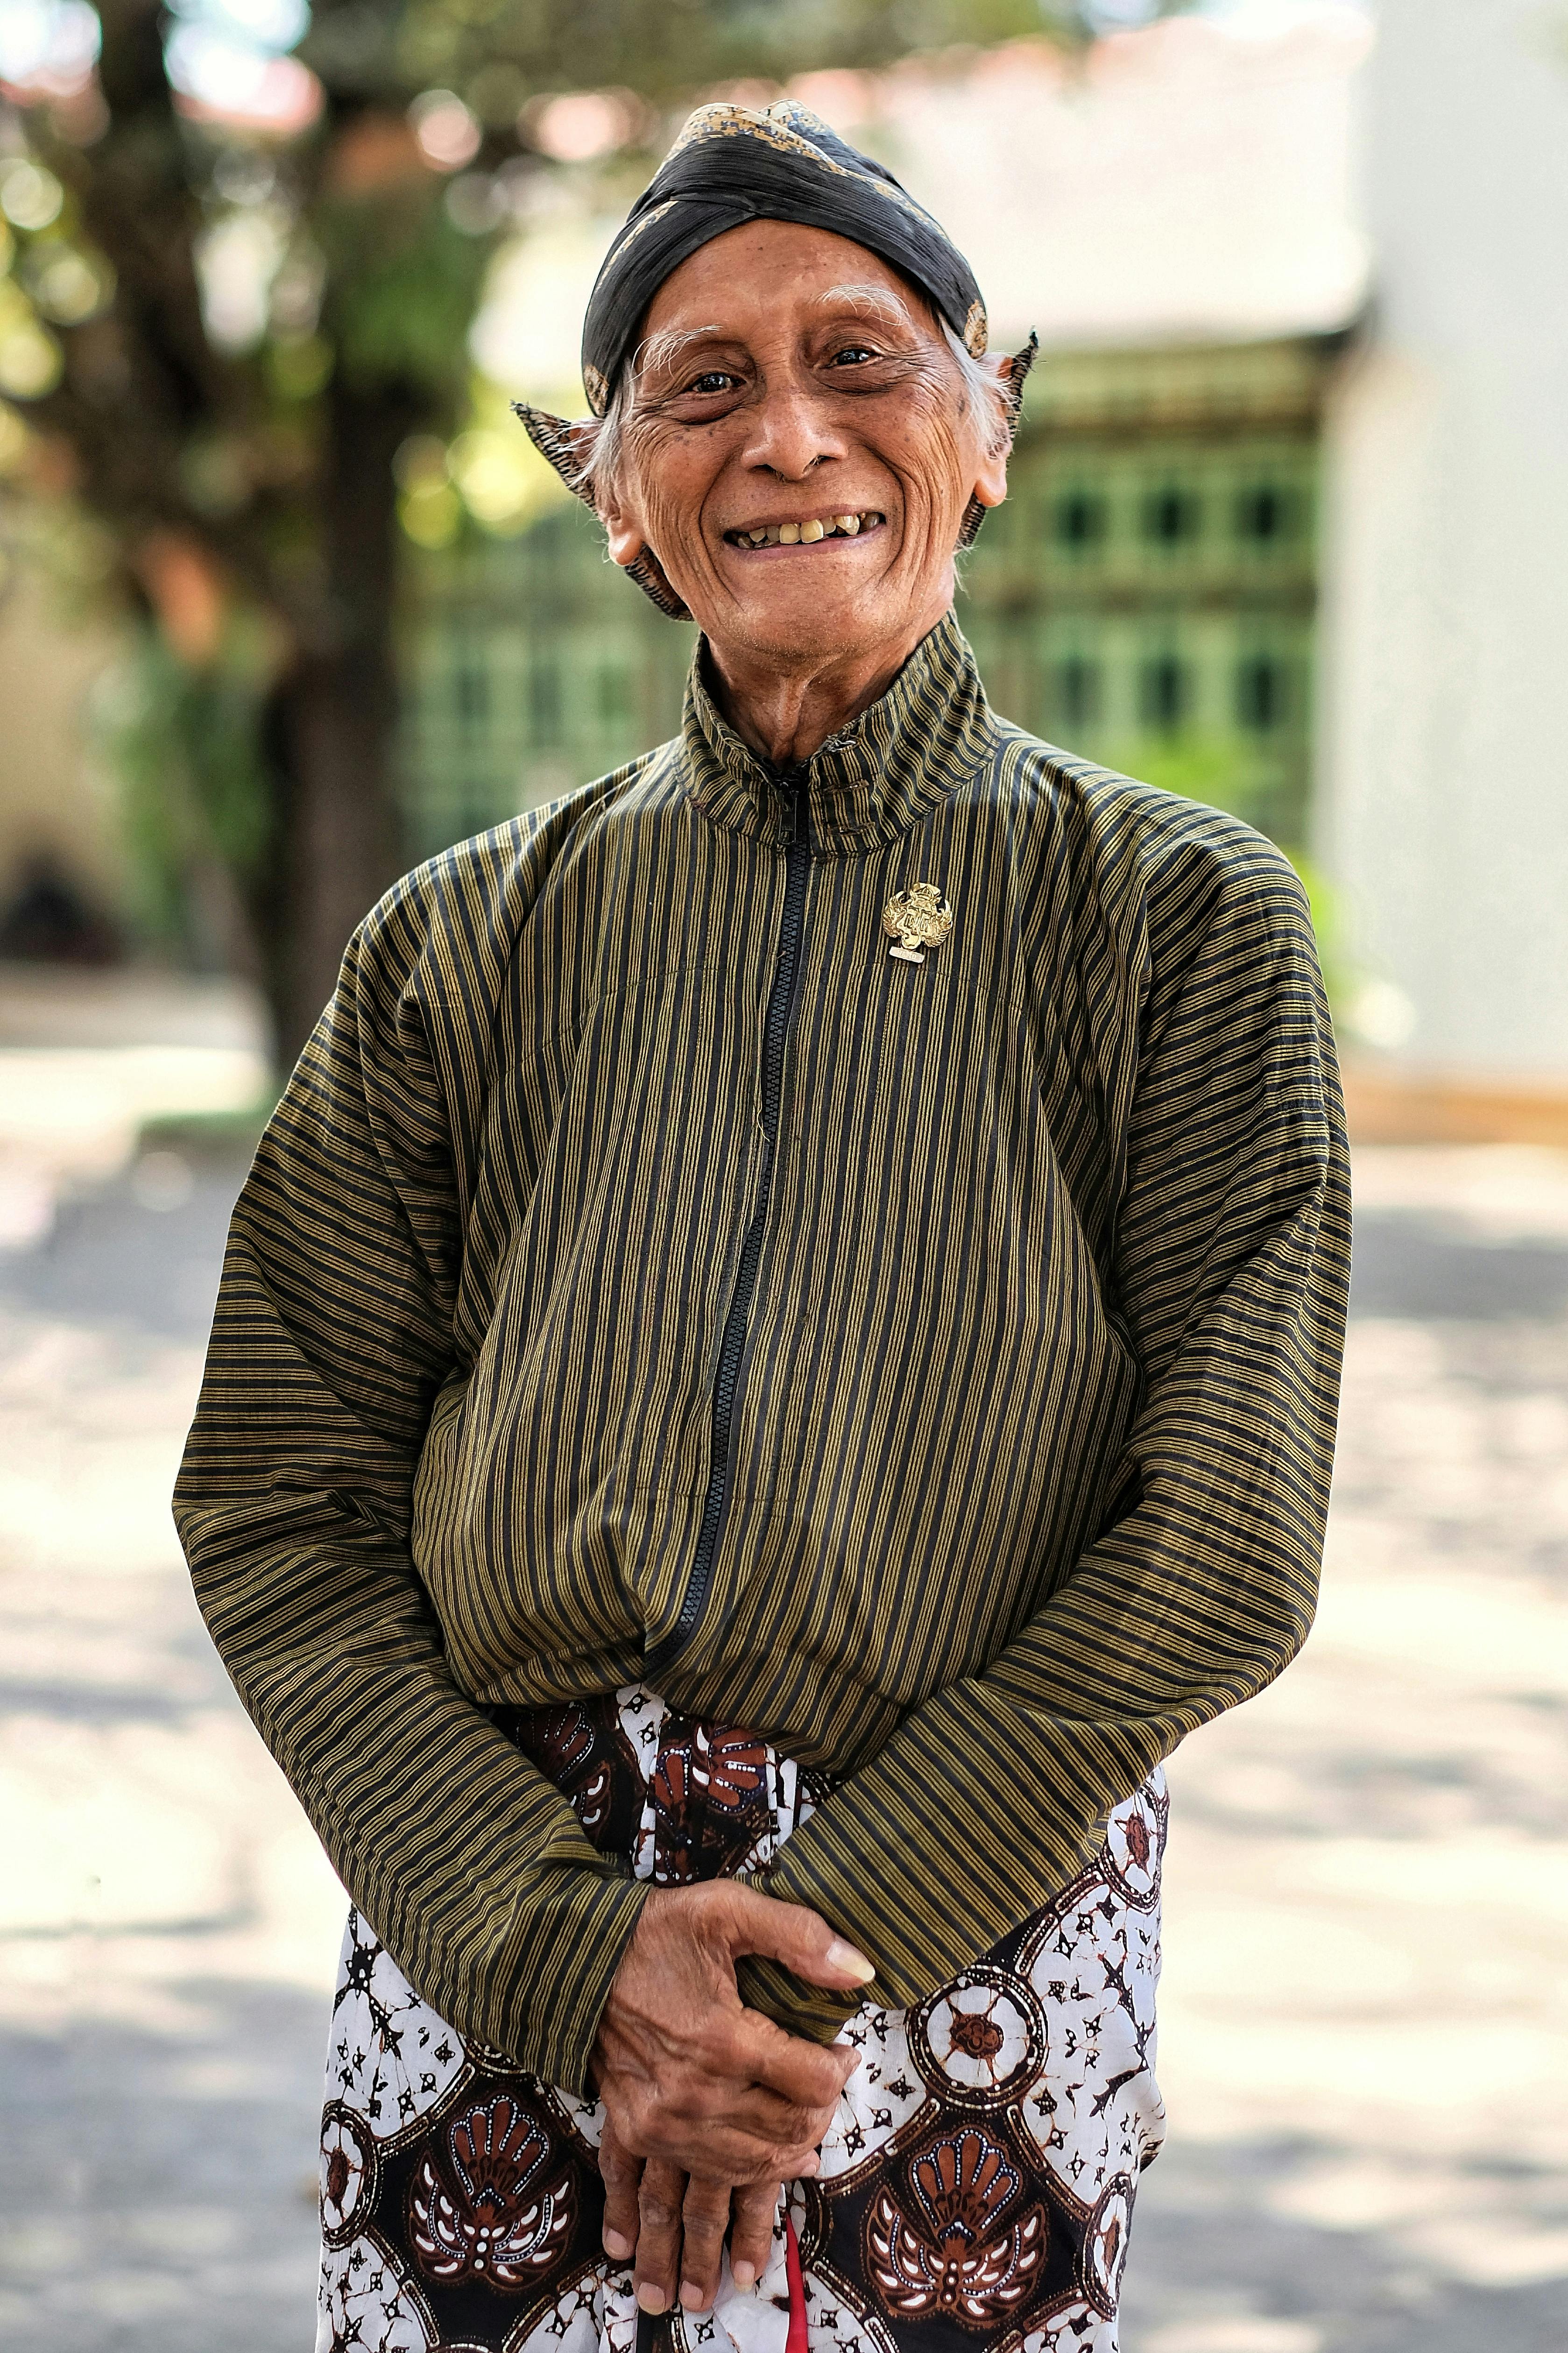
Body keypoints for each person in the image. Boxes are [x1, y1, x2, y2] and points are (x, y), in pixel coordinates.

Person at [175, 100, 1350, 2353]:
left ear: (986, 430)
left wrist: (803, 1946)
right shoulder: (460, 947)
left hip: (962, 1929)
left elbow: (1224, 1543)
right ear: (614, 494)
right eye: (701, 384)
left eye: (862, 358)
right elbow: (275, 1498)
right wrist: (567, 1954)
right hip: (498, 1939)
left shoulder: (1181, 923)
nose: (788, 431)